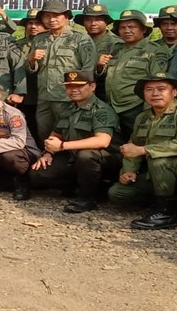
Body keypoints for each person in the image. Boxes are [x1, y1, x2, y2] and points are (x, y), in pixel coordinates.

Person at [108, 73, 177, 231]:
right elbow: (133, 145)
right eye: (149, 89)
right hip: (158, 174)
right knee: (118, 193)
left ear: (174, 92)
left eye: (161, 89)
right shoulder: (142, 117)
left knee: (159, 160)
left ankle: (164, 214)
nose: (155, 93)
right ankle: (164, 202)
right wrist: (129, 170)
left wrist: (143, 150)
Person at [34, 70, 121, 211]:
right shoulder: (68, 108)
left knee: (86, 156)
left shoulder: (101, 109)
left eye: (79, 86)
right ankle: (84, 187)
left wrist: (62, 146)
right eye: (69, 86)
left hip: (105, 158)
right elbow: (56, 134)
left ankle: (87, 198)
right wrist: (48, 153)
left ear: (92, 87)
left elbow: (102, 141)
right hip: (74, 158)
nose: (73, 90)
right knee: (38, 174)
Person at [24, 2, 92, 139]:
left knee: (69, 133)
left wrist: (82, 95)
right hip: (44, 97)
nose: (51, 20)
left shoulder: (80, 38)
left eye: (56, 16)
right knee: (44, 133)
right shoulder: (39, 39)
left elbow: (88, 68)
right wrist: (31, 60)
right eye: (47, 16)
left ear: (66, 17)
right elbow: (32, 70)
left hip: (68, 97)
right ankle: (46, 159)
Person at [102, 9, 170, 140]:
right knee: (116, 145)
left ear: (143, 29)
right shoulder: (116, 49)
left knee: (138, 143)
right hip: (112, 106)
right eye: (123, 27)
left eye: (132, 27)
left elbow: (158, 82)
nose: (127, 30)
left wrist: (149, 111)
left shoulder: (154, 50)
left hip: (135, 107)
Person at [15, 10, 44, 141]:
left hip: (47, 92)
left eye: (37, 23)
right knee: (27, 127)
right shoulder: (17, 44)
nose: (33, 26)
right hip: (25, 93)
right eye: (30, 23)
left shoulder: (51, 43)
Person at [75, 3, 122, 70]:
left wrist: (99, 66)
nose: (93, 23)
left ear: (106, 22)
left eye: (98, 20)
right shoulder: (77, 41)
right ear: (83, 22)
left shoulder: (117, 43)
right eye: (88, 20)